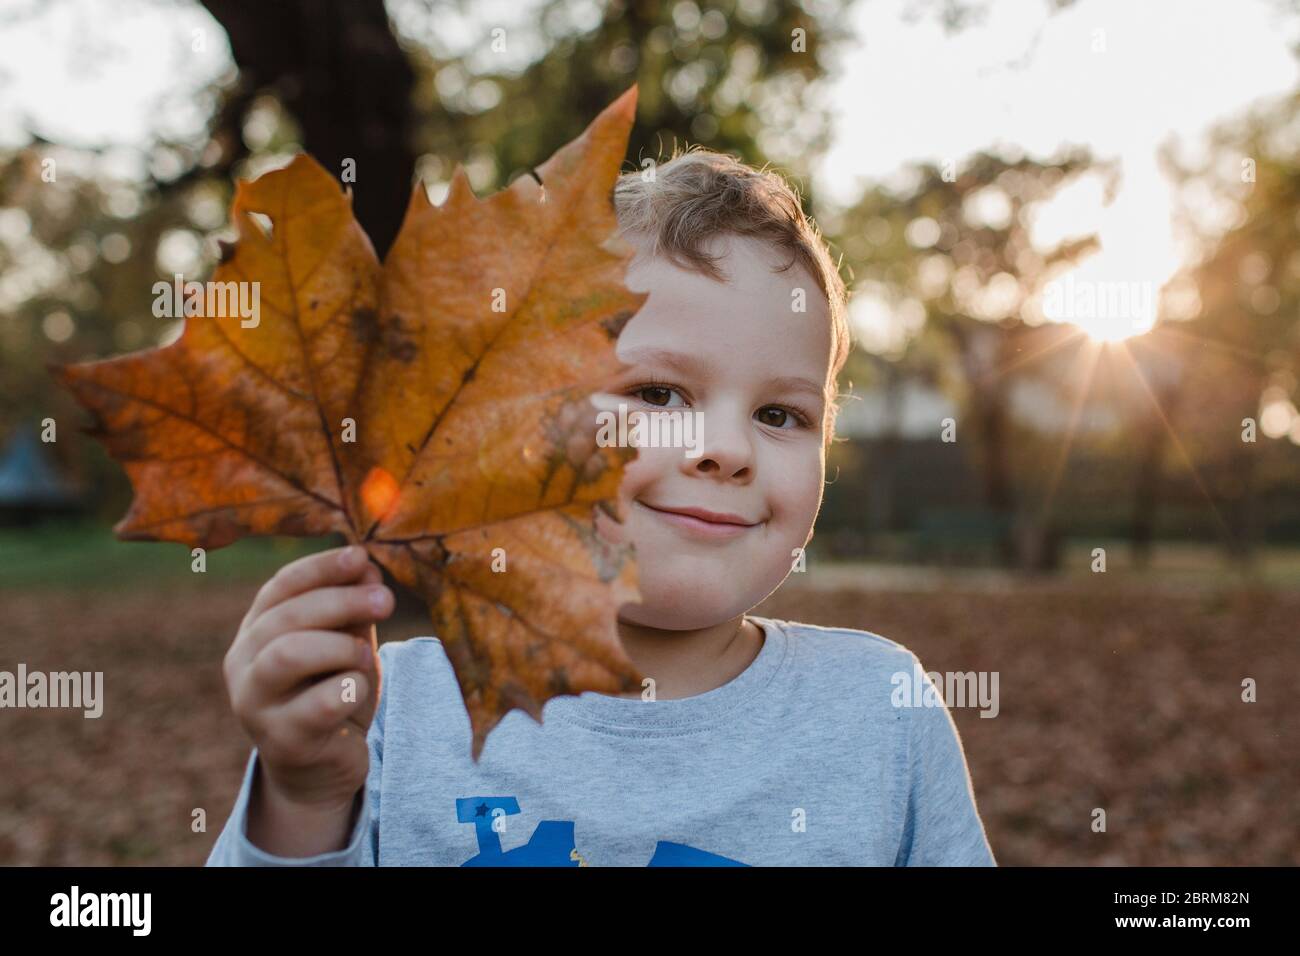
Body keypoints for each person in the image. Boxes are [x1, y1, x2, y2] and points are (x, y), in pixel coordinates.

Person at [205, 148, 996, 866]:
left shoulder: (877, 710)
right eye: (658, 393)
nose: (729, 447)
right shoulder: (392, 710)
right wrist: (304, 799)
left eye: (781, 414)